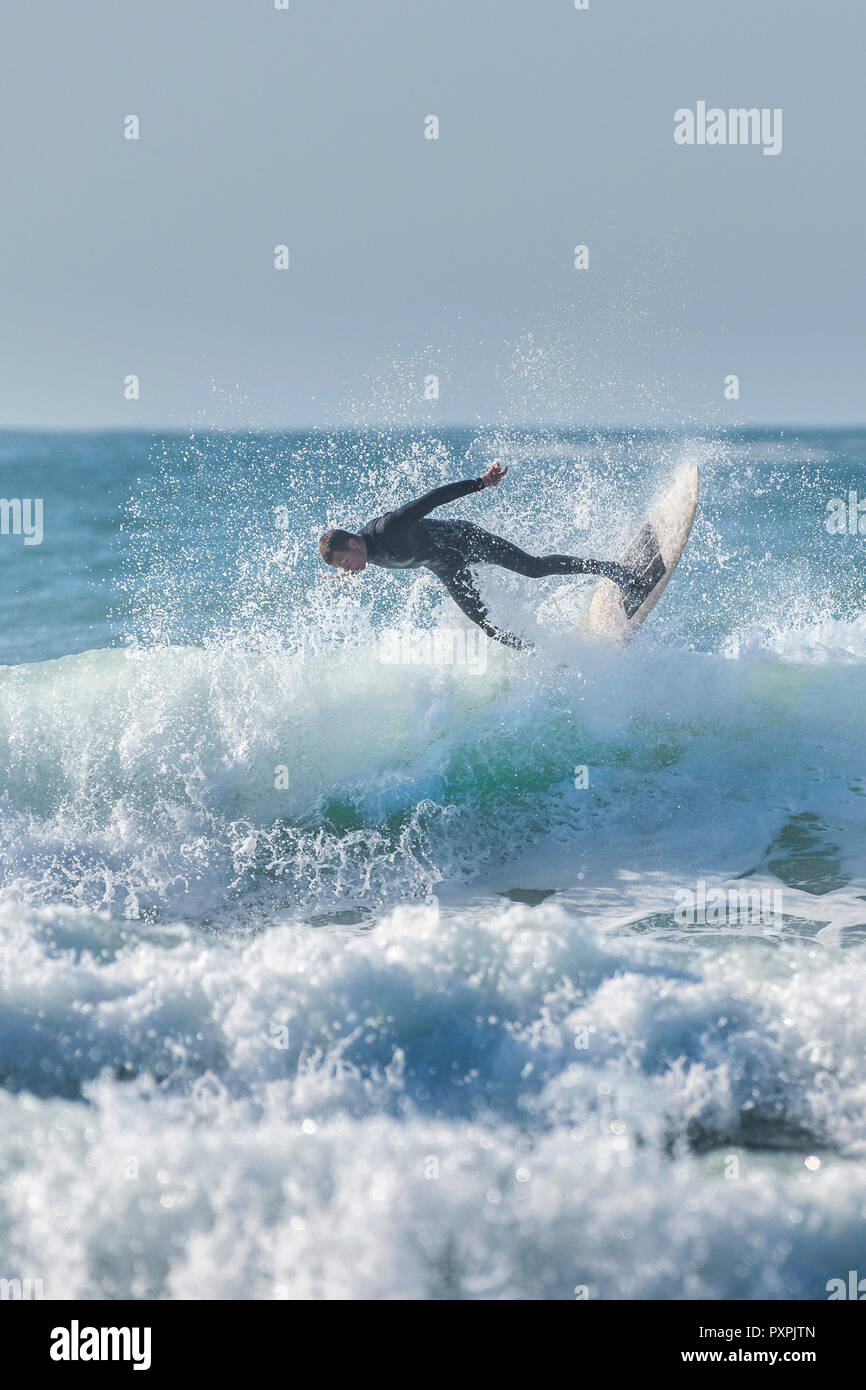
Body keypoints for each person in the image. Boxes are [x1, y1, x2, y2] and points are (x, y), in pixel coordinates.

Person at [318, 461, 641, 649]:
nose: (350, 569)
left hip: (465, 540)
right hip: (445, 565)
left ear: (353, 544)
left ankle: (614, 570)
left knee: (533, 568)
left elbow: (431, 499)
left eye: (345, 561)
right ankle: (545, 655)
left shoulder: (388, 528)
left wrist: (481, 482)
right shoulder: (359, 555)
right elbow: (357, 562)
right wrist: (343, 574)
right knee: (487, 625)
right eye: (343, 567)